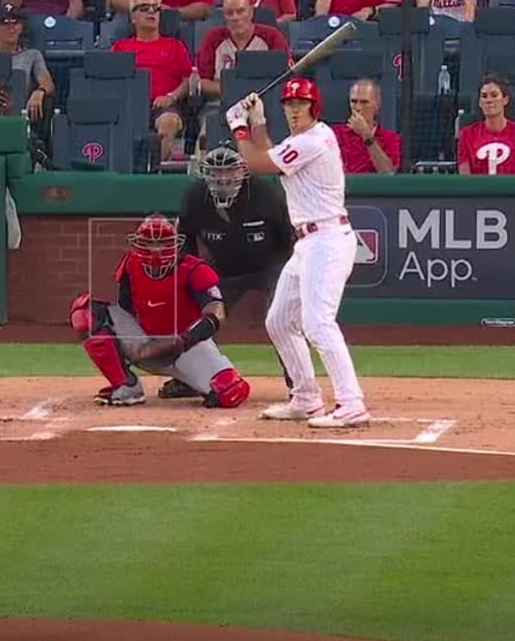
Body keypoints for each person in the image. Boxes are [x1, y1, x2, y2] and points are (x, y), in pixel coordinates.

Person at [227, 79, 369, 428]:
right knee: (279, 321)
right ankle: (306, 398)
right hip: (307, 243)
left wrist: (239, 128)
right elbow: (272, 154)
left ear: (313, 107)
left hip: (328, 239)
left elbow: (258, 163)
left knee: (318, 322)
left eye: (301, 103)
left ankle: (352, 403)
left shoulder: (315, 139)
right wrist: (258, 122)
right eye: (289, 104)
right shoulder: (300, 141)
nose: (294, 110)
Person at [67, 214, 252, 410]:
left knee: (230, 390)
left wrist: (182, 340)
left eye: (162, 243)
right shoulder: (130, 265)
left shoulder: (194, 269)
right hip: (147, 345)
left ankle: (187, 381)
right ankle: (126, 386)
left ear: (175, 244)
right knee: (85, 313)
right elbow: (125, 309)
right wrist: (128, 344)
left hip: (187, 346)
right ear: (138, 243)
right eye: (149, 243)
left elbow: (217, 312)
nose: (155, 249)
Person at [163, 142, 293, 399]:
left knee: (281, 320)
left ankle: (297, 382)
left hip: (271, 265)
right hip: (223, 269)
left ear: (243, 170)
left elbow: (287, 237)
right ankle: (192, 379)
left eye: (229, 170)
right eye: (216, 171)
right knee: (196, 317)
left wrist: (285, 274)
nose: (223, 178)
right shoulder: (195, 197)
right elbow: (185, 238)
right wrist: (194, 273)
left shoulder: (266, 194)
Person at [111, 0, 196, 162]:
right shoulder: (120, 47)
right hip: (129, 105)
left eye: (155, 9)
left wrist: (171, 97)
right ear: (133, 17)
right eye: (144, 8)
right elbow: (111, 80)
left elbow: (189, 79)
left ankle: (153, 168)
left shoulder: (175, 46)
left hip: (164, 105)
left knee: (169, 121)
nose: (151, 12)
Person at [457, 72, 515, 175]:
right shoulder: (467, 135)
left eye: (494, 95)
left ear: (505, 100)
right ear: (480, 103)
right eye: (484, 96)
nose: (489, 100)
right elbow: (465, 178)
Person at [337, 78, 400, 173]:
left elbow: (388, 172)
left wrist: (366, 135)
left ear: (377, 105)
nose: (358, 107)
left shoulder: (390, 138)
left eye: (364, 102)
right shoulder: (336, 135)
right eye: (354, 102)